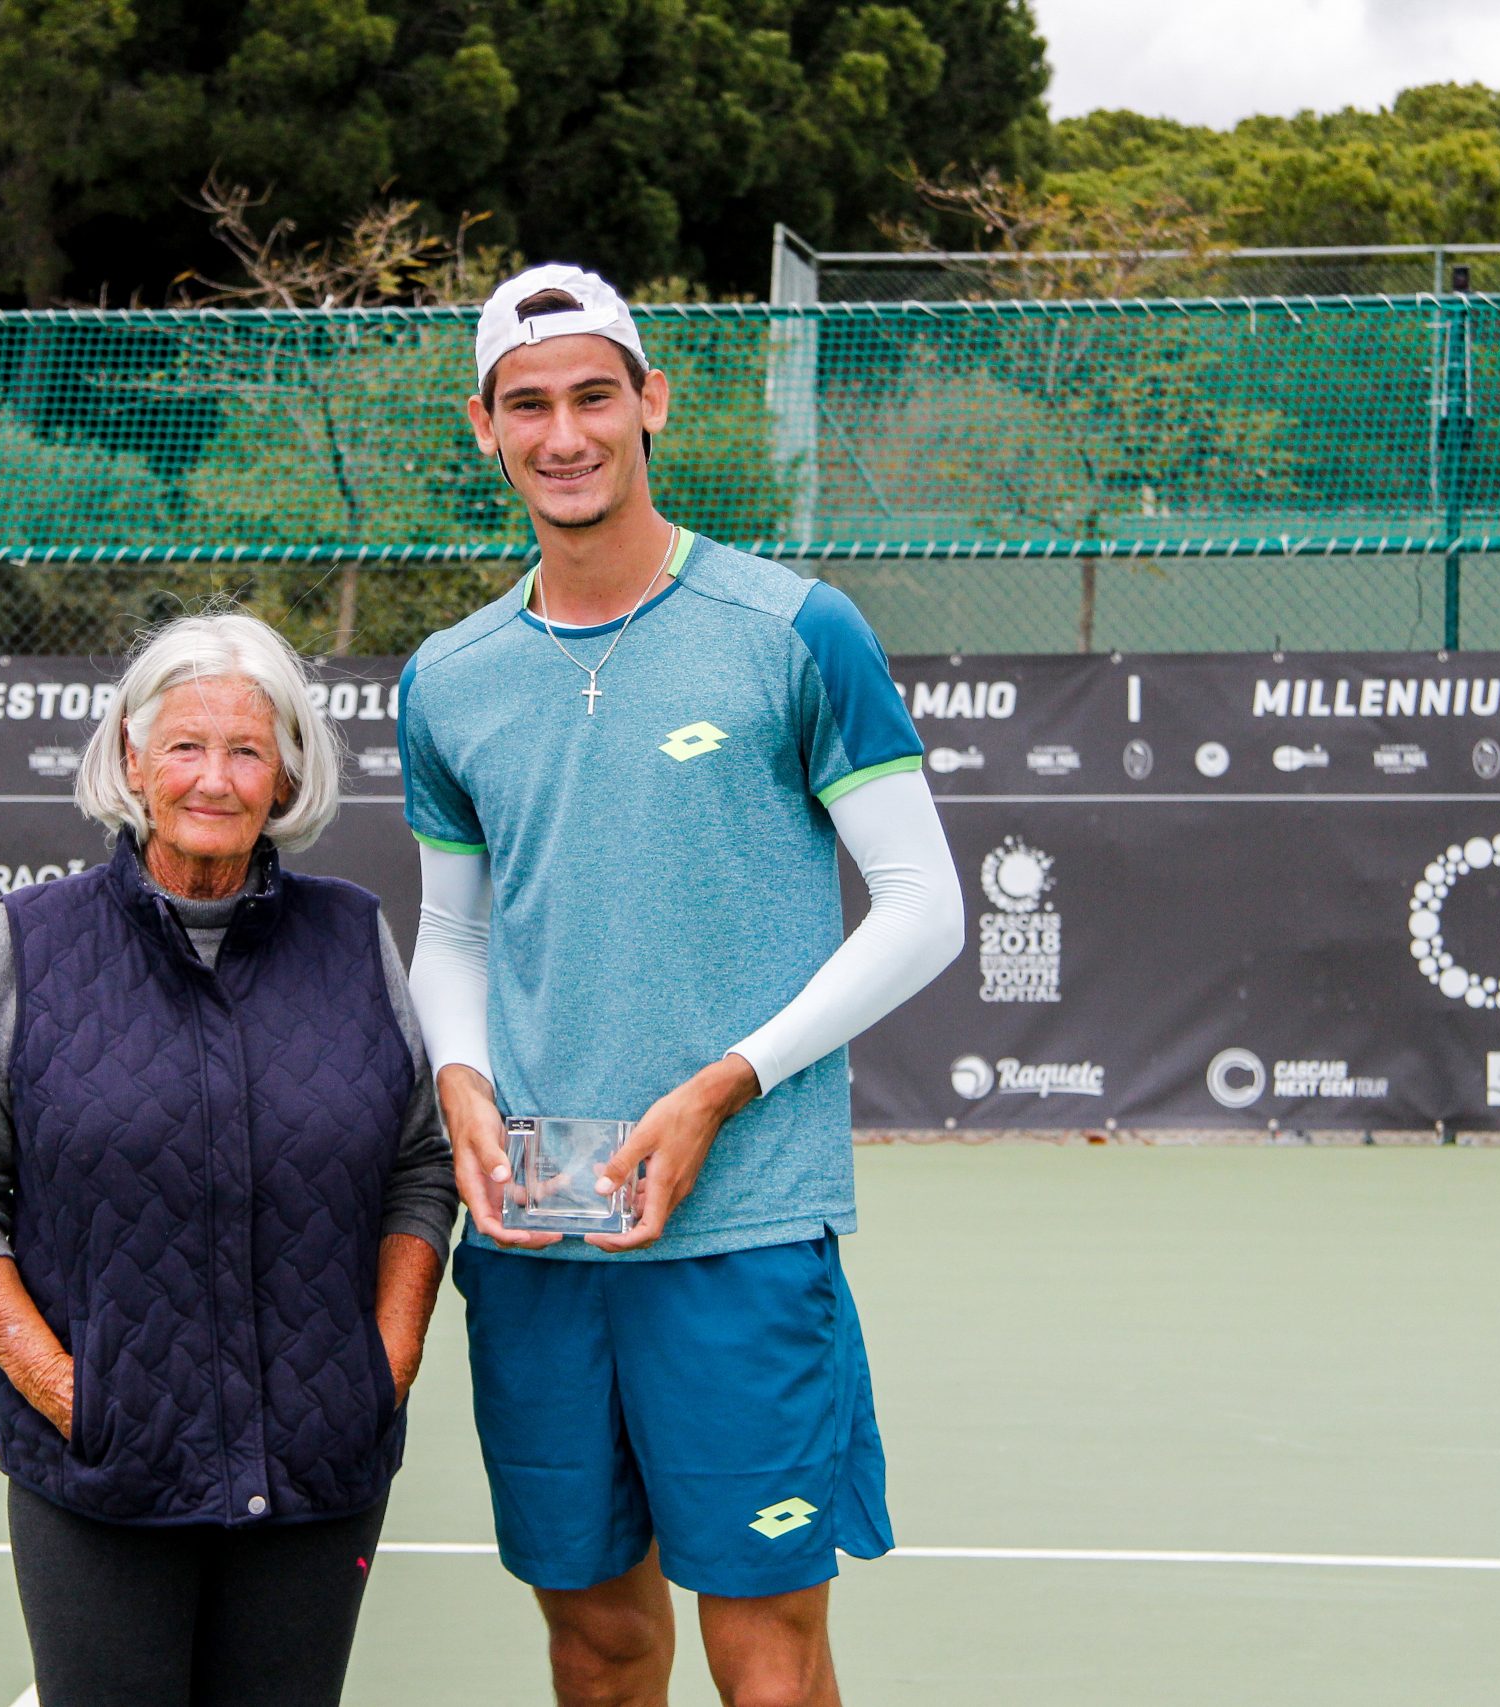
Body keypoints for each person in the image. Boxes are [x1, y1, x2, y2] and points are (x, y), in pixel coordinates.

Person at [398, 264, 968, 1707]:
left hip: (746, 1227)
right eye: (529, 405)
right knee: (595, 1643)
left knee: (767, 1661)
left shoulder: (794, 627)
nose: (566, 432)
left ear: (651, 402)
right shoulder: (448, 677)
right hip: (538, 1237)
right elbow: (451, 935)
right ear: (485, 426)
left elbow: (924, 907)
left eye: (595, 394)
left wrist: (726, 1082)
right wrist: (460, 1076)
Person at [0, 611, 459, 1707]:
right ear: (131, 760)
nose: (216, 778)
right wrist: (71, 1392)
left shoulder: (353, 938)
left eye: (248, 750)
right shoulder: (28, 942)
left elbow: (419, 1170)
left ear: (286, 775)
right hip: (100, 1471)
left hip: (319, 1470)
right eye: (187, 747)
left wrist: (383, 1368)